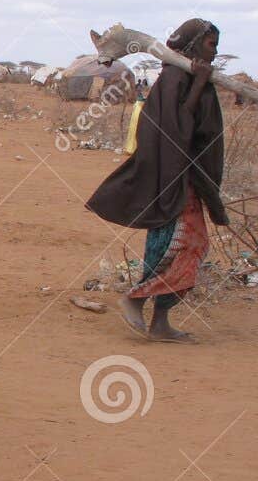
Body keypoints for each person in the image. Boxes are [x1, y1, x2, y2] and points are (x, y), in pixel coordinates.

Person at [86, 18, 228, 343]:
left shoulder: (191, 77)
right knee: (180, 244)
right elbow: (175, 130)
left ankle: (159, 321)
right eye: (210, 45)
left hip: (187, 178)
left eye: (217, 46)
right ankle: (137, 298)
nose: (215, 52)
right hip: (172, 178)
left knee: (181, 245)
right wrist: (198, 84)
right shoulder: (175, 78)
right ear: (192, 46)